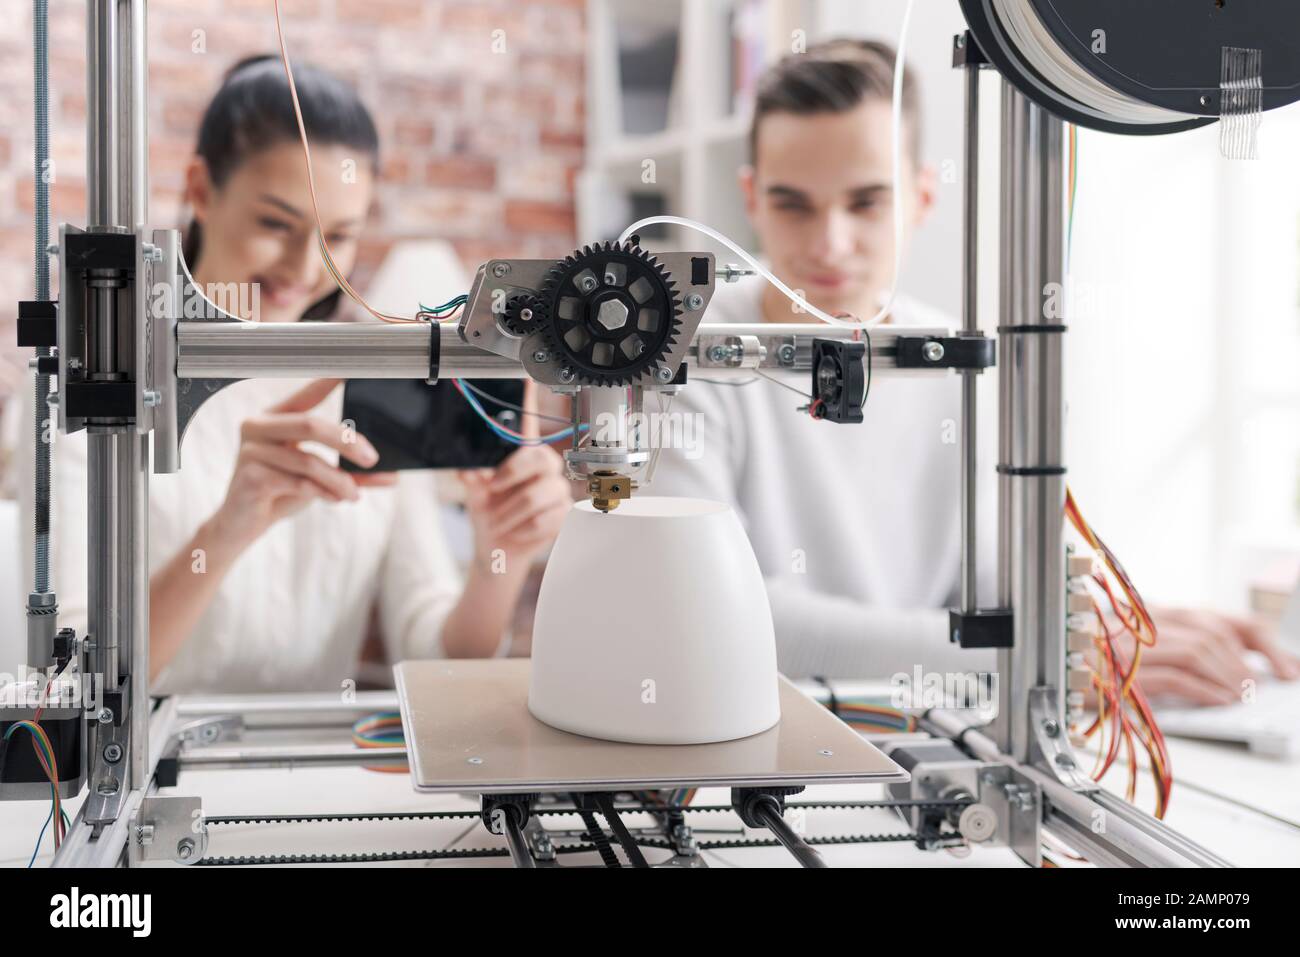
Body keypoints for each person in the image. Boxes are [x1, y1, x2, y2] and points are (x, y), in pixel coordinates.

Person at [649, 39, 1300, 703]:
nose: (830, 244)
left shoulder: (963, 355)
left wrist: (1136, 628)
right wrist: (1048, 650)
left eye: (867, 201)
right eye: (795, 204)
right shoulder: (691, 355)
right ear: (752, 198)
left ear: (923, 196)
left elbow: (999, 584)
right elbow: (718, 616)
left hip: (931, 741)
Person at [20, 56, 572, 693]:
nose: (308, 268)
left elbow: (433, 658)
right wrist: (226, 532)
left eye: (340, 235)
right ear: (201, 188)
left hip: (308, 773)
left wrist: (497, 562)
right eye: (276, 224)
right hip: (151, 771)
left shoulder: (368, 380)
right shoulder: (101, 386)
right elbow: (76, 682)